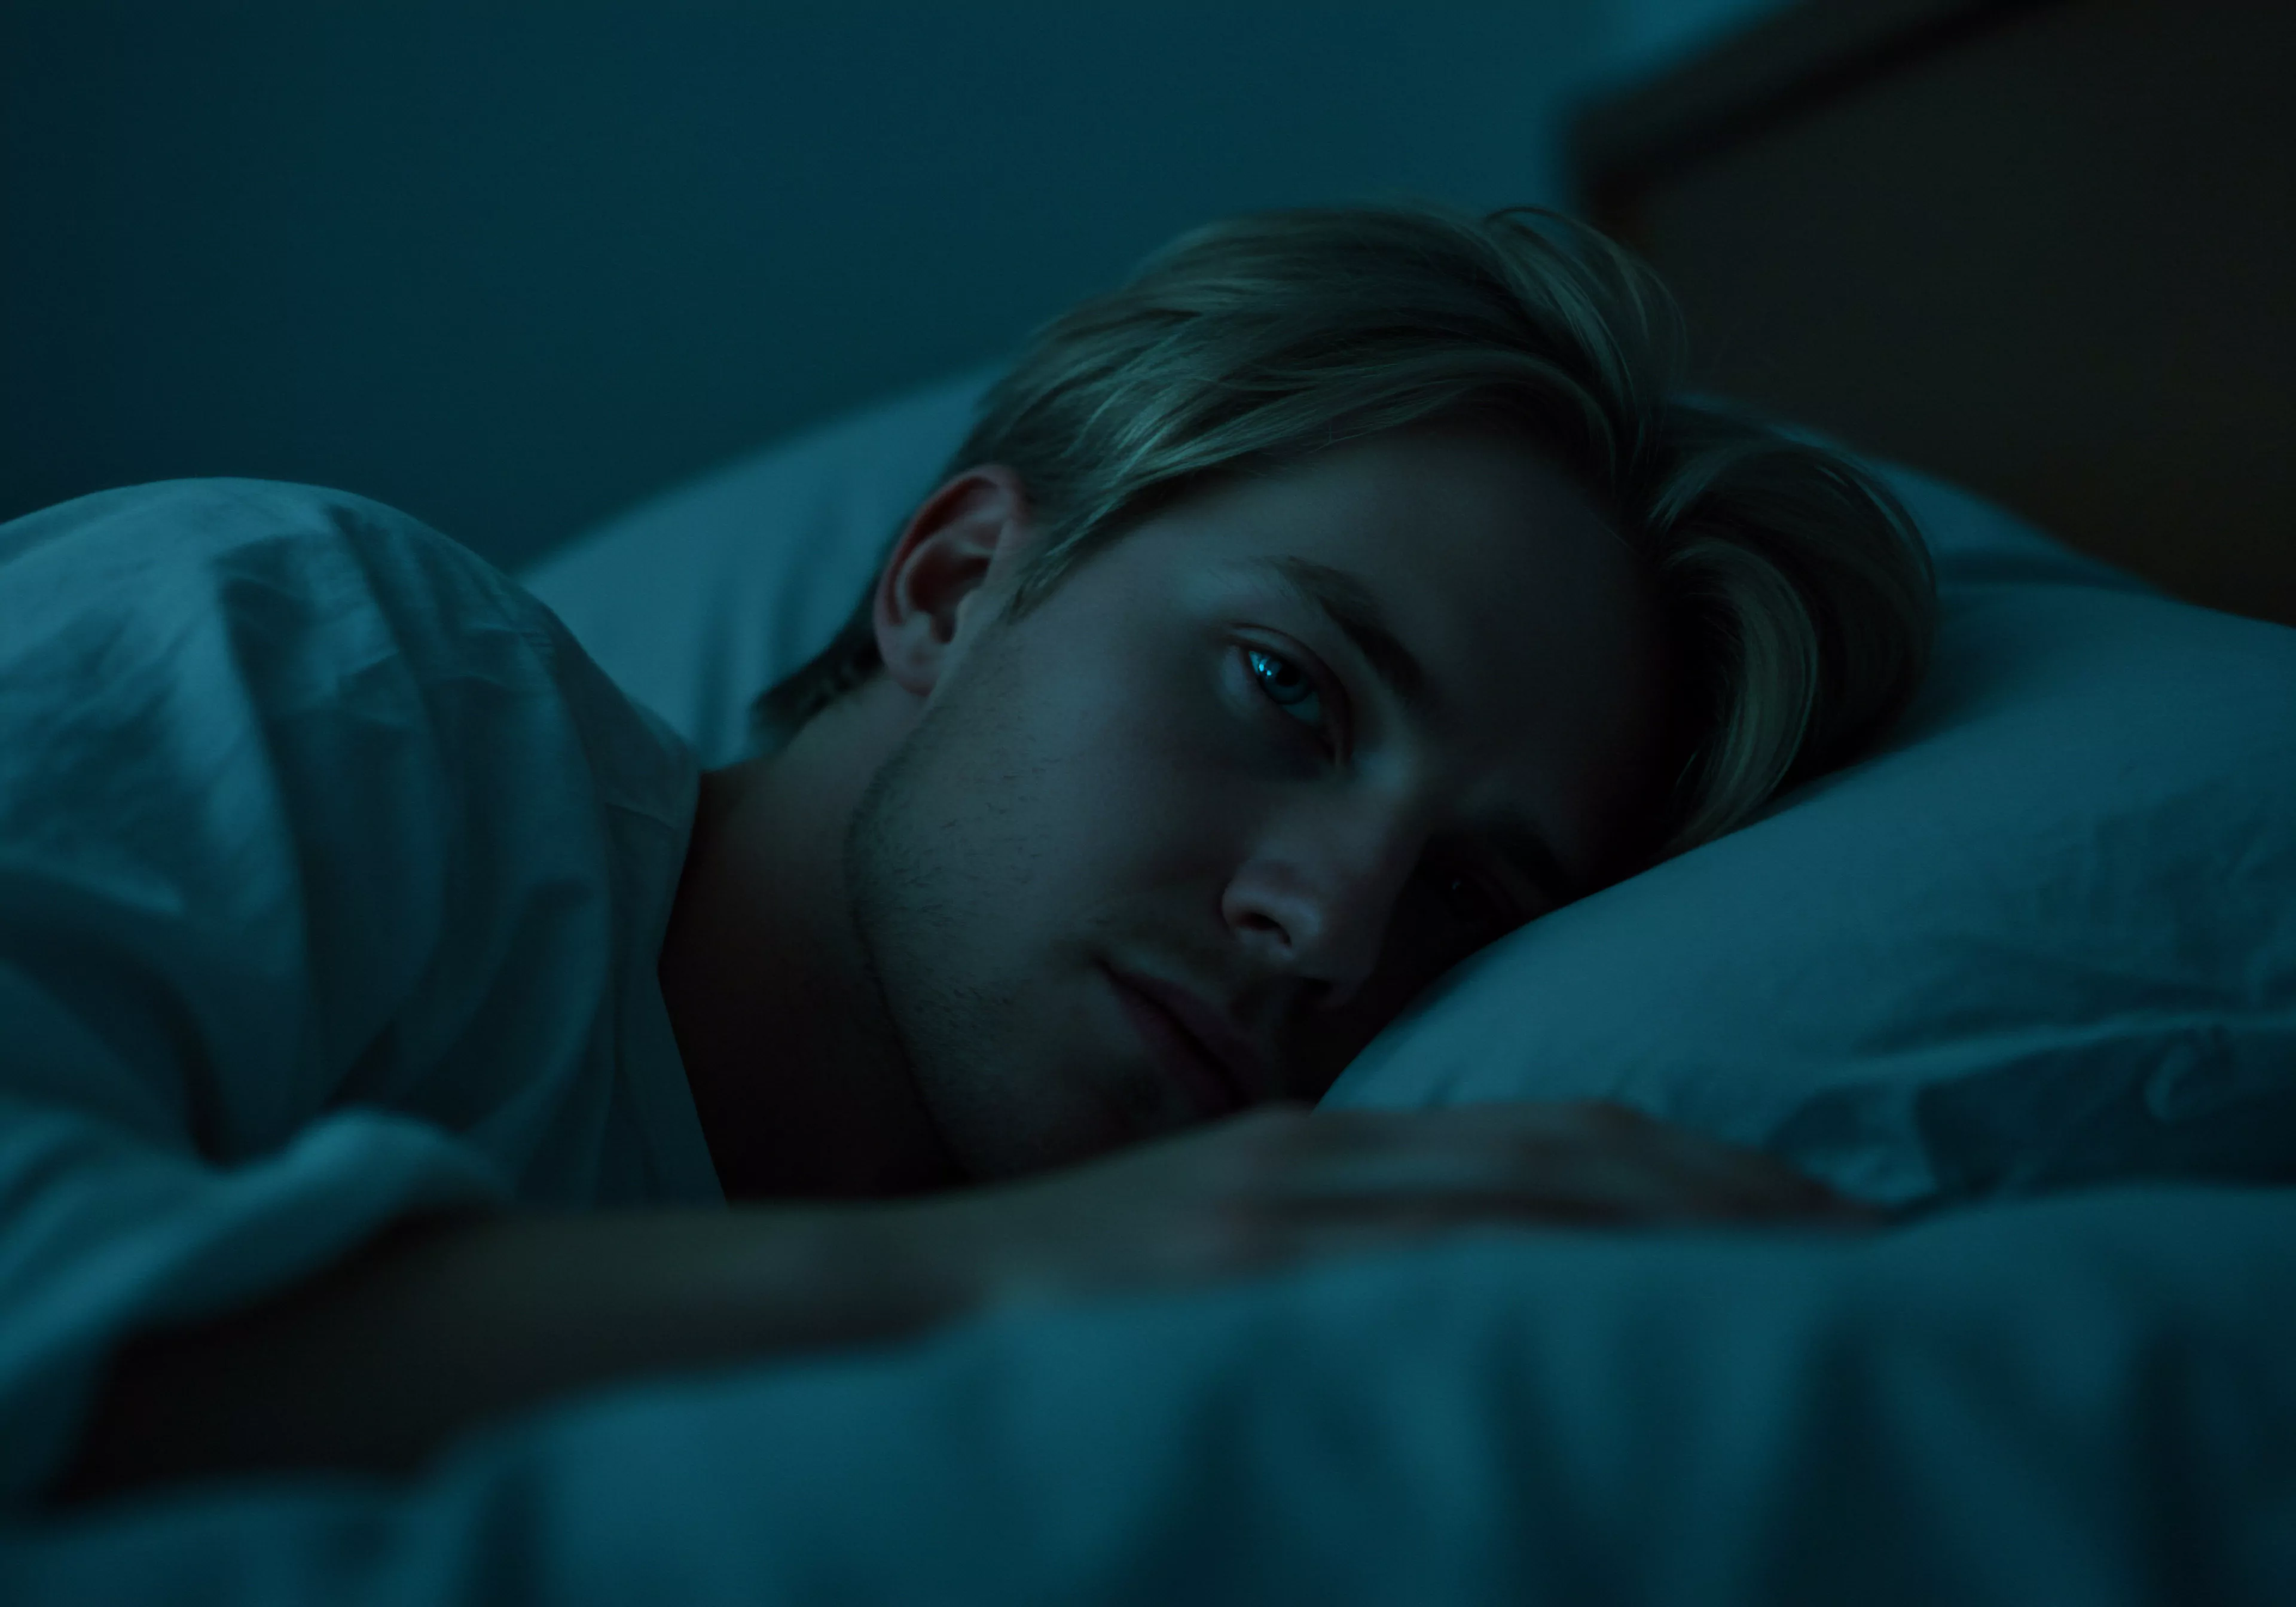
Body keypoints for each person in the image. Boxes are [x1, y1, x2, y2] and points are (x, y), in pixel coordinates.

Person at [2, 202, 1934, 1507]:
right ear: (948, 584)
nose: (1331, 927)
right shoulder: (329, 657)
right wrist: (964, 1281)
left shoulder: (1144, 1412)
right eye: (1287, 686)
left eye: (1461, 890)